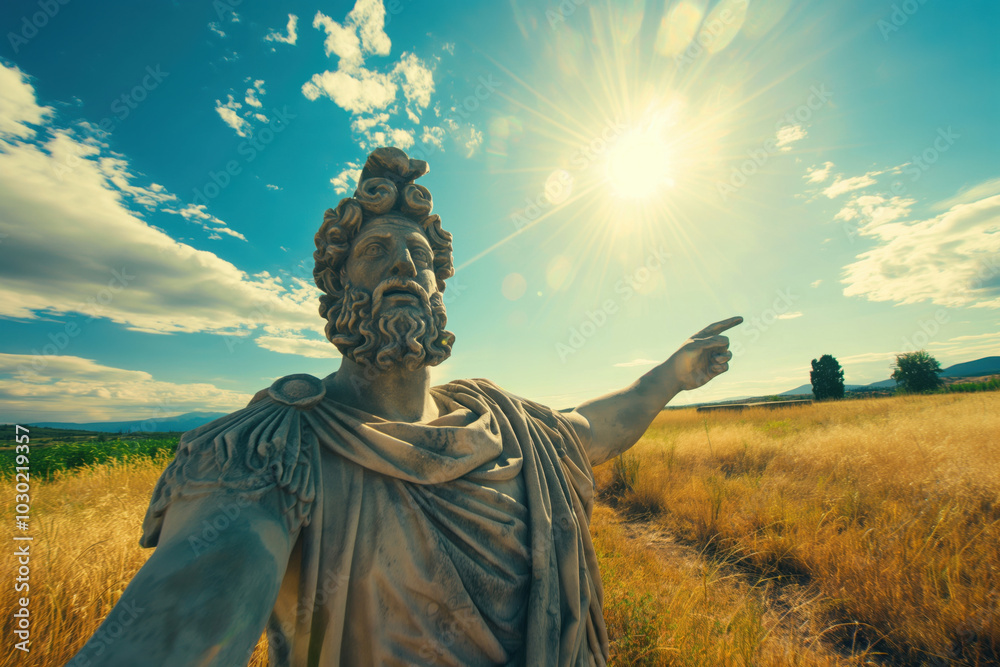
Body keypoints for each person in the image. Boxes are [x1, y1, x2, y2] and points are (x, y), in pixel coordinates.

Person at [67, 147, 741, 666]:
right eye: (375, 251)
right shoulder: (280, 447)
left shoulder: (499, 421)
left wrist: (671, 374)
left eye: (420, 255)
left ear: (439, 286)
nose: (403, 267)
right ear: (336, 285)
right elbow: (188, 611)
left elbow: (588, 430)